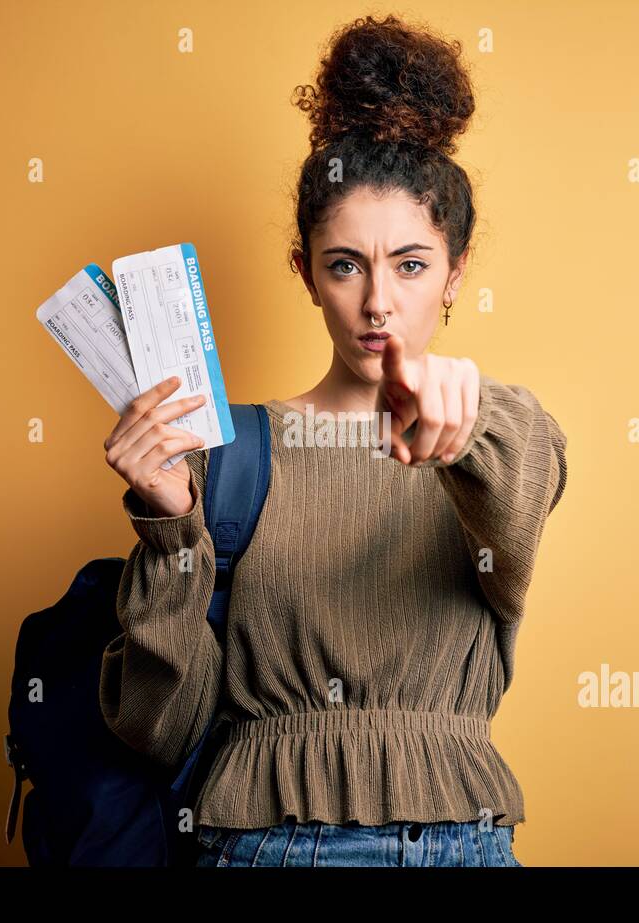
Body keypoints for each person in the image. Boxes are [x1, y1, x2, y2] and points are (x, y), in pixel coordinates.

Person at [99, 13, 567, 867]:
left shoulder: (501, 433)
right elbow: (158, 728)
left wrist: (468, 417)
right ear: (306, 272)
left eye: (412, 264)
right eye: (346, 264)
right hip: (265, 849)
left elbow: (518, 492)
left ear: (456, 273)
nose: (378, 303)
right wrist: (168, 524)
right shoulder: (232, 453)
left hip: (459, 844)